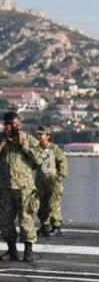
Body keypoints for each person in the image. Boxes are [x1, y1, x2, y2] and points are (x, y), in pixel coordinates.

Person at [0, 110, 41, 262]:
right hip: (5, 188)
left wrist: (23, 146)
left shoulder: (28, 140)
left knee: (26, 218)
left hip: (24, 187)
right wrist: (4, 140)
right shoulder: (2, 141)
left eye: (16, 125)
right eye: (10, 125)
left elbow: (38, 160)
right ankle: (12, 250)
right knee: (5, 219)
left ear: (20, 124)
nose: (13, 128)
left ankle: (28, 250)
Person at [35, 127, 68, 236]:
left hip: (53, 182)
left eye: (42, 134)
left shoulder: (54, 148)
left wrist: (60, 176)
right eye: (38, 134)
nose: (39, 136)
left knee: (53, 204)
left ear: (48, 136)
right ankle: (44, 226)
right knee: (41, 204)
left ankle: (56, 226)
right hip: (40, 182)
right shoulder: (36, 149)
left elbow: (62, 161)